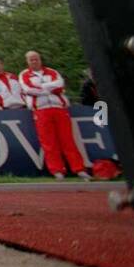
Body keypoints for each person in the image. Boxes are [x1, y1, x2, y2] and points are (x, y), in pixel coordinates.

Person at [19, 50, 90, 180]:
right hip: (41, 111)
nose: (34, 61)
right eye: (31, 60)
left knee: (68, 140)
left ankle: (79, 169)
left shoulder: (52, 72)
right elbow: (28, 90)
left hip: (59, 108)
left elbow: (60, 86)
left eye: (36, 59)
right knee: (49, 143)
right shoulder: (24, 75)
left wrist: (41, 88)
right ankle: (57, 170)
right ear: (27, 61)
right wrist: (49, 88)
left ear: (40, 60)